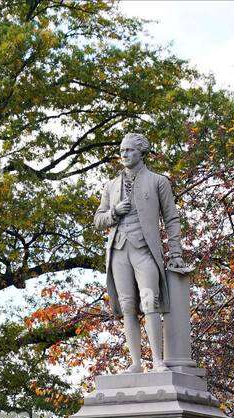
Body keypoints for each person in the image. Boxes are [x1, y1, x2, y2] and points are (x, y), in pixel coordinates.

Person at [93, 131, 187, 371]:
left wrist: (175, 252)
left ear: (141, 152)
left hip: (144, 250)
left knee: (150, 302)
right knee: (127, 307)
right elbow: (98, 220)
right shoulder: (111, 185)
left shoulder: (158, 181)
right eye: (122, 150)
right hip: (119, 251)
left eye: (129, 150)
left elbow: (171, 218)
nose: (124, 154)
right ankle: (135, 362)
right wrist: (114, 212)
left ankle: (157, 360)